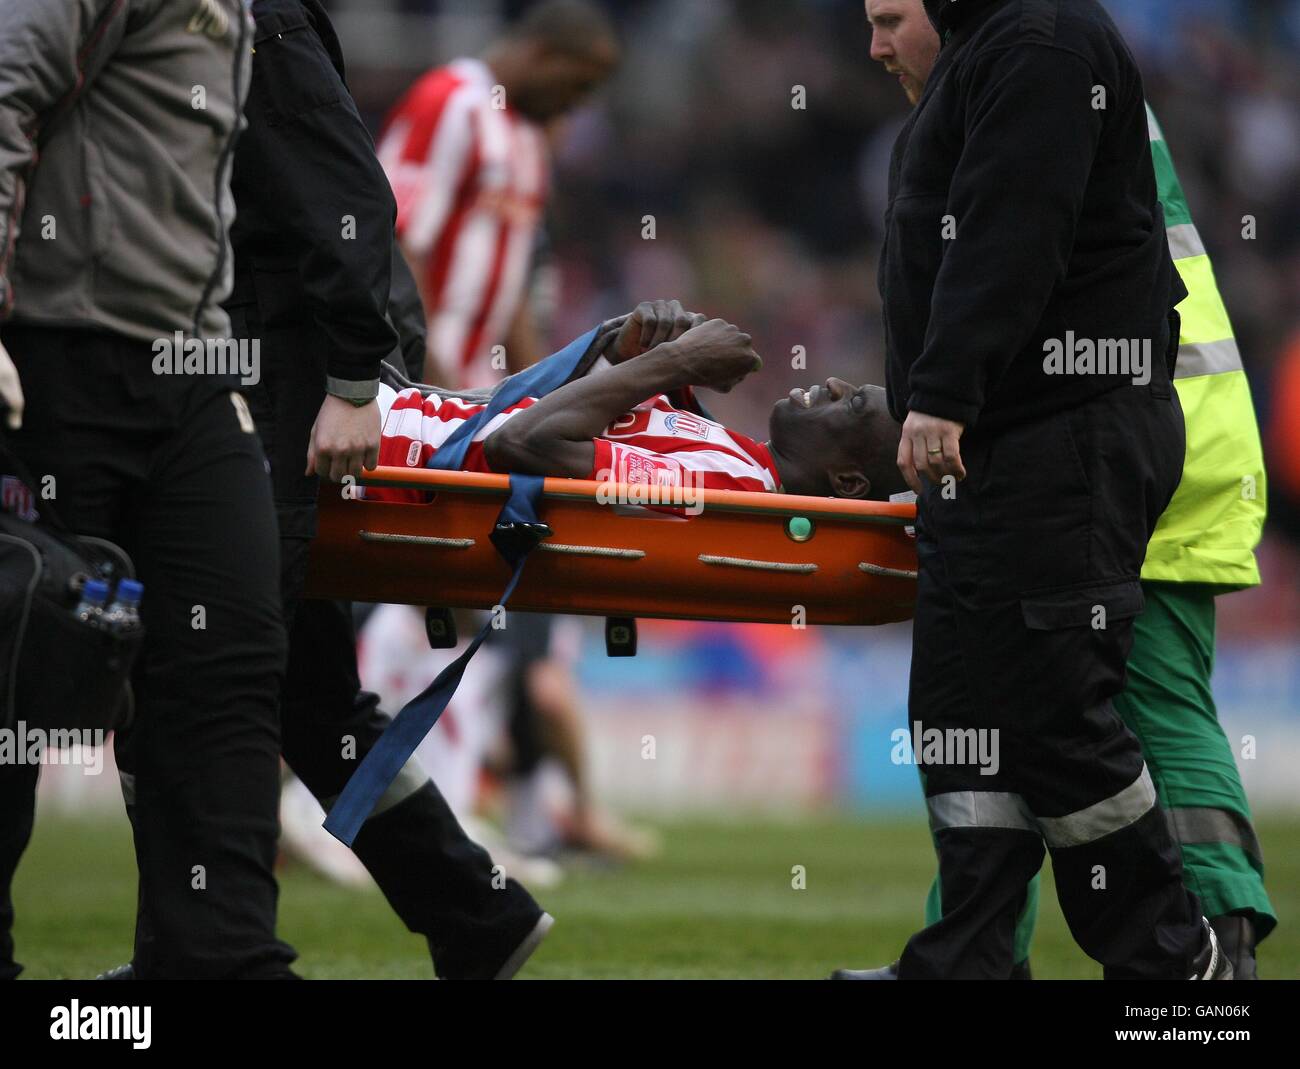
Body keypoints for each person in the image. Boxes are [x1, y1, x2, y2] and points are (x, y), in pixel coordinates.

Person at [834, 0, 1274, 980]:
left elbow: (1011, 235)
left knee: (1086, 705)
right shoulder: (993, 63)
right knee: (968, 711)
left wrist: (941, 395)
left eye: (887, 16)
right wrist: (918, 405)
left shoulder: (1039, 47)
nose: (873, 45)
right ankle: (971, 959)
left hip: (1092, 433)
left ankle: (1192, 948)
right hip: (1008, 434)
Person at [225, 0, 549, 979]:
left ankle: (215, 952)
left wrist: (359, 383)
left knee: (223, 677)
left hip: (277, 397)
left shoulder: (256, 20)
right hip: (291, 387)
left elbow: (353, 202)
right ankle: (477, 910)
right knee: (309, 696)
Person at [0, 0, 297, 978]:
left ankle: (220, 963)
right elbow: (4, 80)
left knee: (231, 661)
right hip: (56, 357)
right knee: (15, 677)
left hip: (193, 365)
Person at [367, 301, 906, 508]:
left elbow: (522, 441)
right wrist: (623, 353)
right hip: (390, 409)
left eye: (854, 403)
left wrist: (677, 362)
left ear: (849, 482)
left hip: (383, 445)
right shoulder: (736, 458)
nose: (835, 383)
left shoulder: (730, 487)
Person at [379, 0, 620, 386]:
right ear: (542, 53)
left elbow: (512, 287)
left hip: (477, 389)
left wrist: (541, 391)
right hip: (420, 389)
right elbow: (395, 247)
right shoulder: (450, 103)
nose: (578, 103)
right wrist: (434, 382)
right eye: (578, 84)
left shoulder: (529, 137)